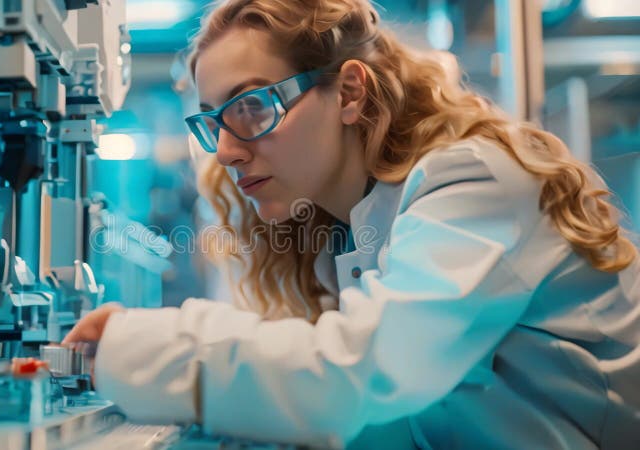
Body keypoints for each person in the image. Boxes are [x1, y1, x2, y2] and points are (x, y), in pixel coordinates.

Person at [63, 0, 640, 447]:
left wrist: (145, 348)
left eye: (253, 107)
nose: (227, 152)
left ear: (348, 91)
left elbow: (362, 374)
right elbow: (391, 424)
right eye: (214, 123)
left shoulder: (475, 179)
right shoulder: (344, 236)